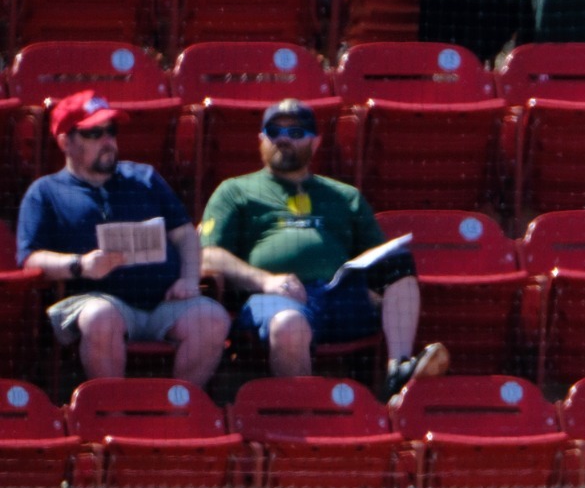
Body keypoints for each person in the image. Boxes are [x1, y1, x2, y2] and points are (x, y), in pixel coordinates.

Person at [198, 100, 448, 395]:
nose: (283, 138)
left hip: (340, 296)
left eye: (296, 131)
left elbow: (377, 254)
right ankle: (304, 411)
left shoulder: (346, 196)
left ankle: (398, 370)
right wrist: (265, 280)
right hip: (276, 299)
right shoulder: (235, 191)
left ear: (315, 143)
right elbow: (207, 255)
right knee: (287, 324)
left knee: (398, 261)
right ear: (261, 139)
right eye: (274, 130)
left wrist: (375, 294)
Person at [16, 91, 230, 384]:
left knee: (213, 319)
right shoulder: (45, 192)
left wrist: (189, 279)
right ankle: (112, 413)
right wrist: (80, 265)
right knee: (100, 317)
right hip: (97, 299)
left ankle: (180, 410)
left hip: (164, 301)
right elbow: (30, 258)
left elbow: (185, 235)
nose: (108, 141)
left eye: (111, 131)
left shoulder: (144, 178)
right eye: (94, 133)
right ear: (65, 141)